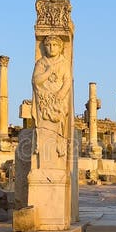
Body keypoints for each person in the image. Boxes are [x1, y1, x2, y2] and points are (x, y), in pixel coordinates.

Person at [31, 35, 71, 164]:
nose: (51, 48)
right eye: (48, 45)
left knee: (59, 128)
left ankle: (57, 151)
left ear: (60, 47)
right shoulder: (41, 62)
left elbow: (67, 81)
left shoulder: (64, 63)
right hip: (43, 101)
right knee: (43, 130)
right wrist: (48, 72)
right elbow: (35, 80)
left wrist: (60, 94)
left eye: (54, 45)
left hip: (58, 102)